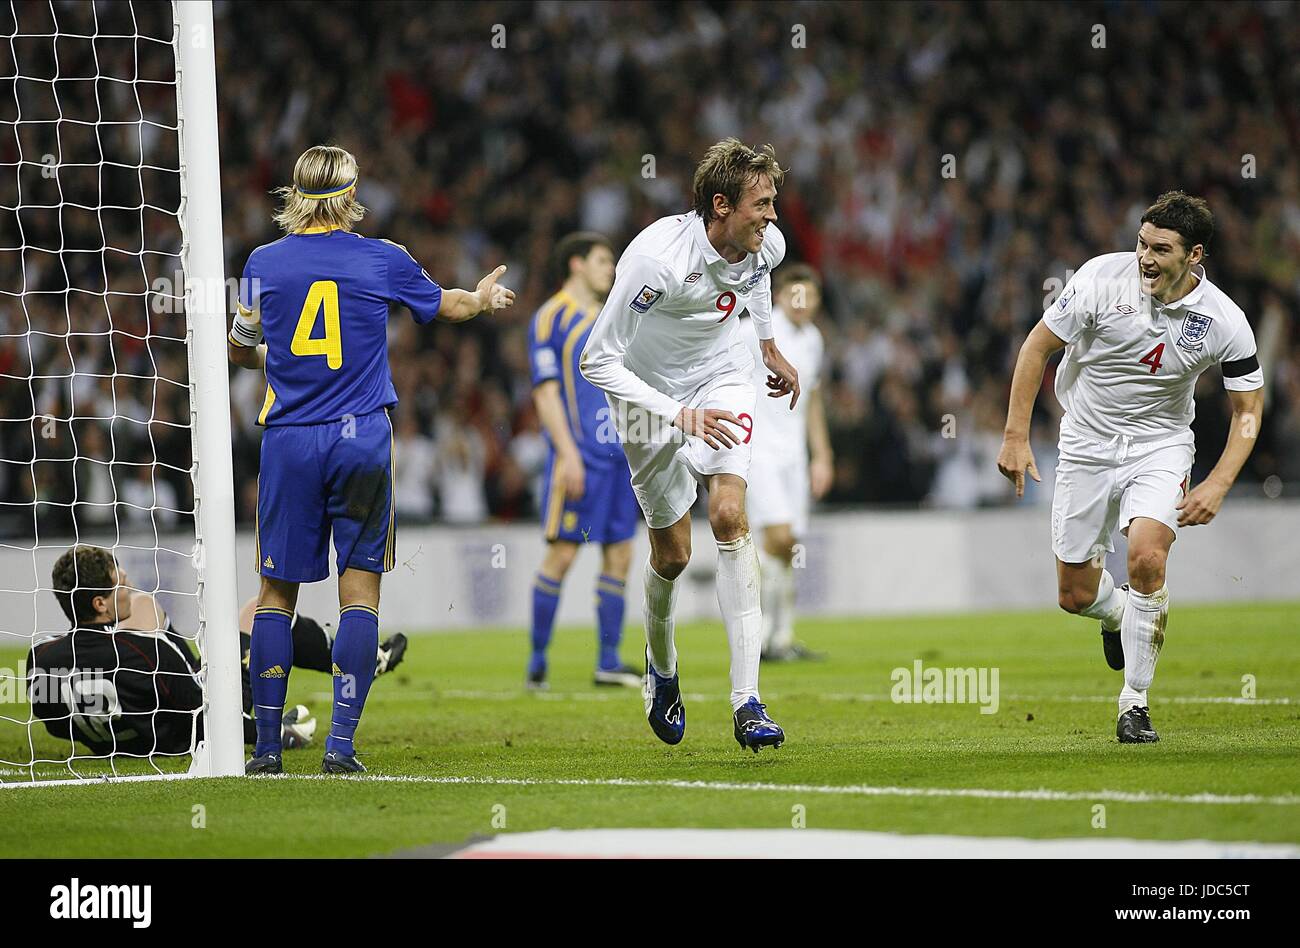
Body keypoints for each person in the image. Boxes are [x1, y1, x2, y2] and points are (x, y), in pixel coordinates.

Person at [228, 144, 513, 774]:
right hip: (360, 438)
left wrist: (263, 353)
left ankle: (268, 752)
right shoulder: (382, 258)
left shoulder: (261, 261)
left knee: (275, 594)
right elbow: (450, 306)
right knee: (358, 595)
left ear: (296, 194)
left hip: (290, 437)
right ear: (352, 195)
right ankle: (340, 749)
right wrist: (484, 298)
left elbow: (240, 347)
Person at [996, 191, 1265, 743]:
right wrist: (1016, 435)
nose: (1144, 257)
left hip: (1160, 446)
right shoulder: (1099, 279)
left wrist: (1218, 482)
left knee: (1146, 556)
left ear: (1194, 256)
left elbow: (1248, 409)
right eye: (1141, 243)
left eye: (1160, 249)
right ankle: (1120, 616)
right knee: (1074, 596)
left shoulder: (1223, 321)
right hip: (1086, 443)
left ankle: (1134, 702)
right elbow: (1035, 349)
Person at [580, 138, 801, 753]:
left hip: (724, 375)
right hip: (648, 398)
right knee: (673, 555)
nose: (773, 216)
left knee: (729, 514)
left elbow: (759, 282)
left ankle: (748, 701)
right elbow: (595, 360)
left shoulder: (765, 244)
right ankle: (662, 667)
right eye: (762, 204)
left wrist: (765, 346)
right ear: (721, 205)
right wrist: (678, 415)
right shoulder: (656, 261)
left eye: (774, 202)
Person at [25, 544, 408, 758]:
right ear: (99, 604)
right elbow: (208, 714)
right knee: (258, 612)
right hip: (196, 717)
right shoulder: (148, 651)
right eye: (118, 582)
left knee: (144, 607)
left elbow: (53, 724)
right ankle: (364, 661)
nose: (127, 583)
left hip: (121, 739)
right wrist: (276, 732)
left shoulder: (40, 660)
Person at [526, 232, 642, 689]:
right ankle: (537, 663)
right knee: (562, 553)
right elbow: (546, 391)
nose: (610, 269)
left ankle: (608, 661)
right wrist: (567, 454)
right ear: (575, 264)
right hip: (579, 459)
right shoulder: (550, 318)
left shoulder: (613, 317)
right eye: (601, 260)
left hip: (618, 457)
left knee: (621, 554)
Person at [741, 263, 833, 661]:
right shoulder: (752, 332)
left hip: (794, 455)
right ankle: (757, 638)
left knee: (788, 544)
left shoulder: (813, 340)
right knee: (776, 538)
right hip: (757, 449)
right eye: (794, 294)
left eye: (809, 296)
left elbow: (812, 399)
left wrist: (822, 455)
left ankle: (781, 638)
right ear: (778, 296)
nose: (801, 302)